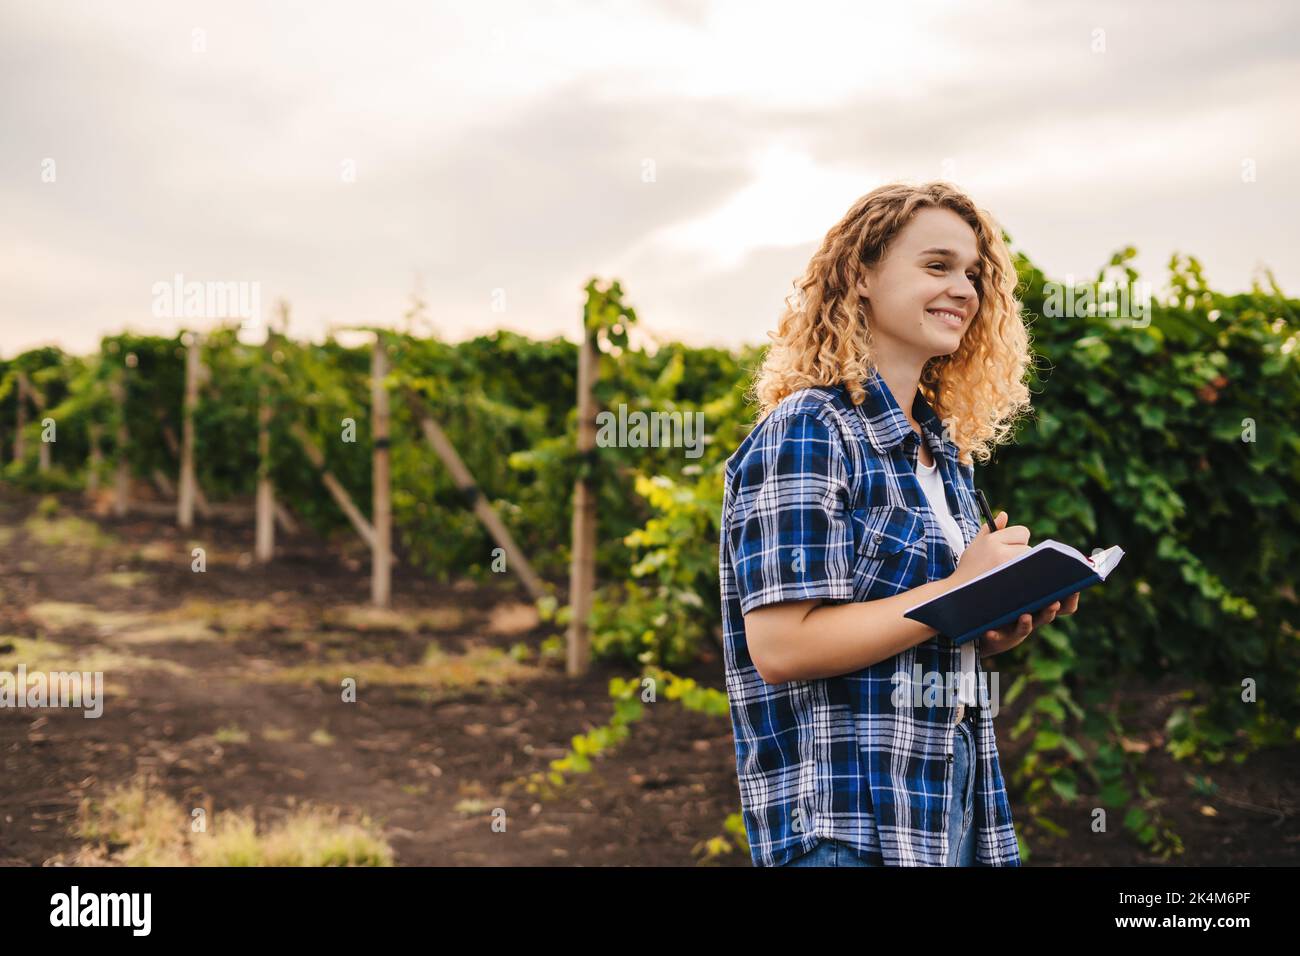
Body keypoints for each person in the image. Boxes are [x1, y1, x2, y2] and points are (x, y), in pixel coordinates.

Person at [718, 181, 1081, 867]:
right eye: (937, 265)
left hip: (948, 800)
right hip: (848, 823)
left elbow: (914, 626)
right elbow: (782, 648)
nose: (965, 289)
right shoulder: (811, 429)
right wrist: (957, 593)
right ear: (860, 274)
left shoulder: (944, 453)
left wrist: (994, 615)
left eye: (973, 273)